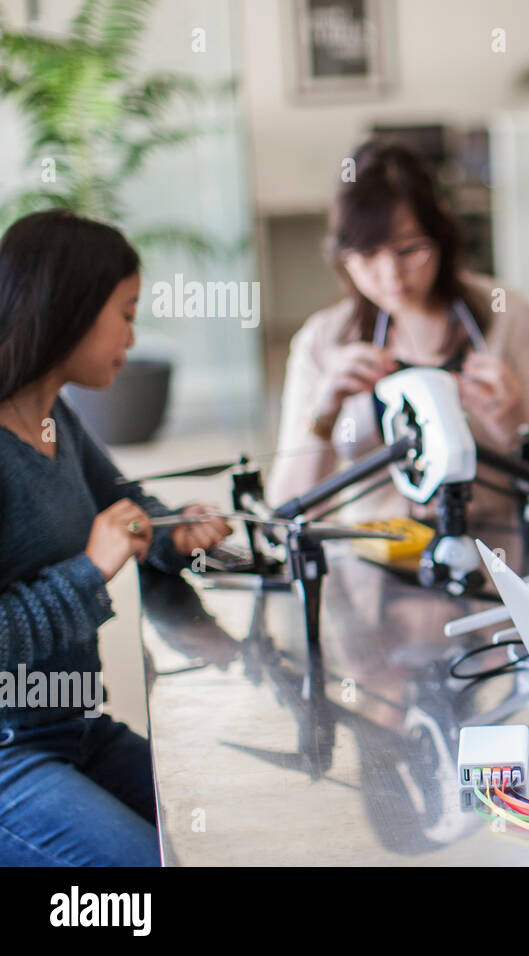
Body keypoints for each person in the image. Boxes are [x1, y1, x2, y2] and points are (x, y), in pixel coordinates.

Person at [0, 210, 233, 865]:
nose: (133, 335)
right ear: (70, 309)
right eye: (126, 313)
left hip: (78, 728)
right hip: (10, 757)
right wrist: (91, 568)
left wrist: (173, 532)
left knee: (224, 830)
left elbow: (126, 504)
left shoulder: (53, 417)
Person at [267, 140, 529, 533]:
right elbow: (287, 507)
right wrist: (324, 412)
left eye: (410, 250)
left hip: (495, 551)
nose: (392, 277)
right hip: (379, 557)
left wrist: (514, 428)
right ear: (343, 257)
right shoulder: (322, 341)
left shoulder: (509, 317)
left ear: (441, 237)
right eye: (369, 256)